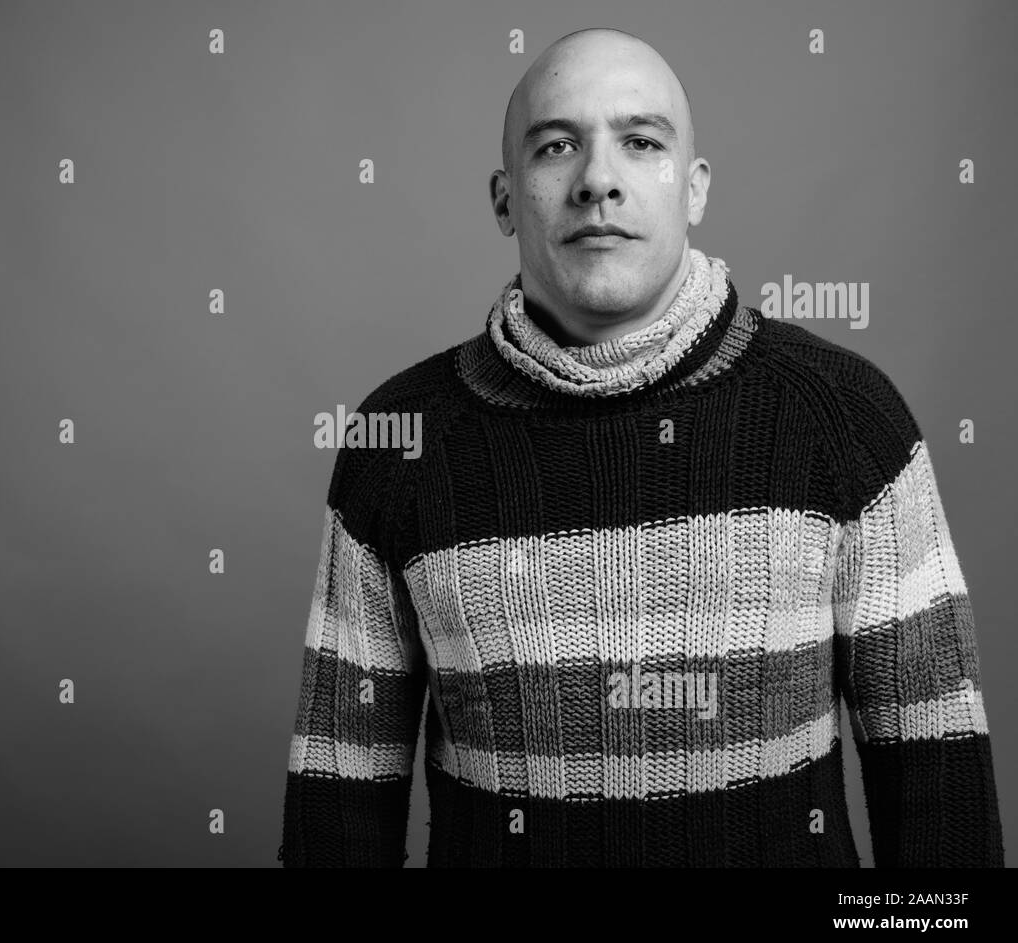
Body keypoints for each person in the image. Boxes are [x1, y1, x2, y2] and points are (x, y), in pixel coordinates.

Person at [279, 27, 1003, 867]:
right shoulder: (398, 442)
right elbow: (337, 806)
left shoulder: (847, 418)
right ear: (505, 199)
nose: (598, 180)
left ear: (694, 188)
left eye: (642, 142)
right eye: (556, 146)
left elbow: (941, 792)